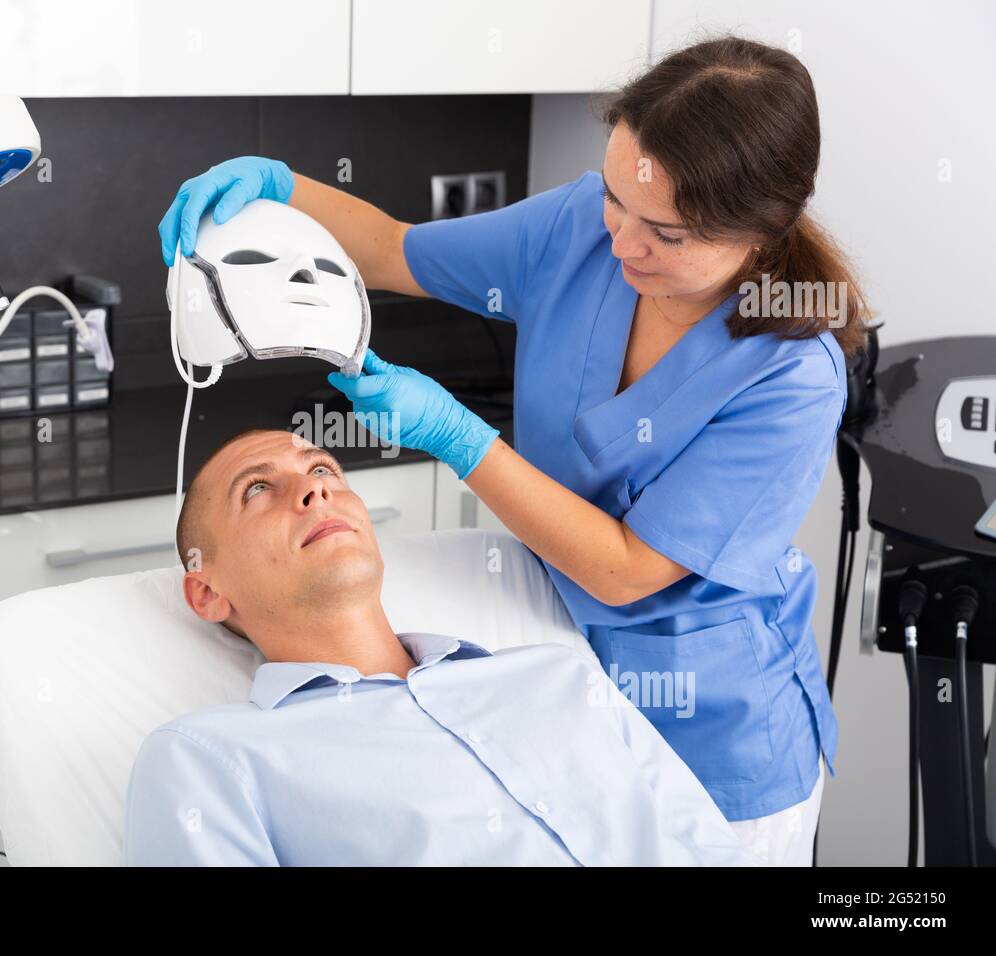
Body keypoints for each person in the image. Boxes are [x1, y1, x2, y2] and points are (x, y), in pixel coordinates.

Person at [157, 36, 867, 865]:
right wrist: (278, 186)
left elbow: (626, 568)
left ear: (760, 232)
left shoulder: (791, 376)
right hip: (564, 704)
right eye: (615, 197)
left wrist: (457, 435)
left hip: (713, 738)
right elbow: (391, 249)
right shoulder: (579, 229)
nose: (623, 242)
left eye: (666, 234)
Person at [122, 428, 760, 866]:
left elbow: (711, 850)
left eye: (322, 469)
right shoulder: (209, 760)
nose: (314, 489)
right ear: (206, 592)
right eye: (257, 489)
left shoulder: (558, 678)